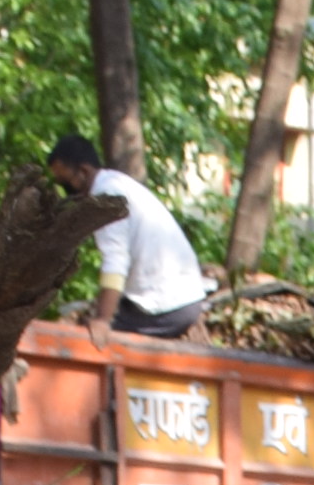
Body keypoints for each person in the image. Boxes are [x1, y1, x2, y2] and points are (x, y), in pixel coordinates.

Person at [42, 135, 210, 338]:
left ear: (84, 171)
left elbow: (115, 263)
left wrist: (103, 321)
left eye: (66, 184)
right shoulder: (115, 181)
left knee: (82, 332)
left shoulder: (106, 197)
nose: (66, 193)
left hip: (168, 308)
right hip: (181, 298)